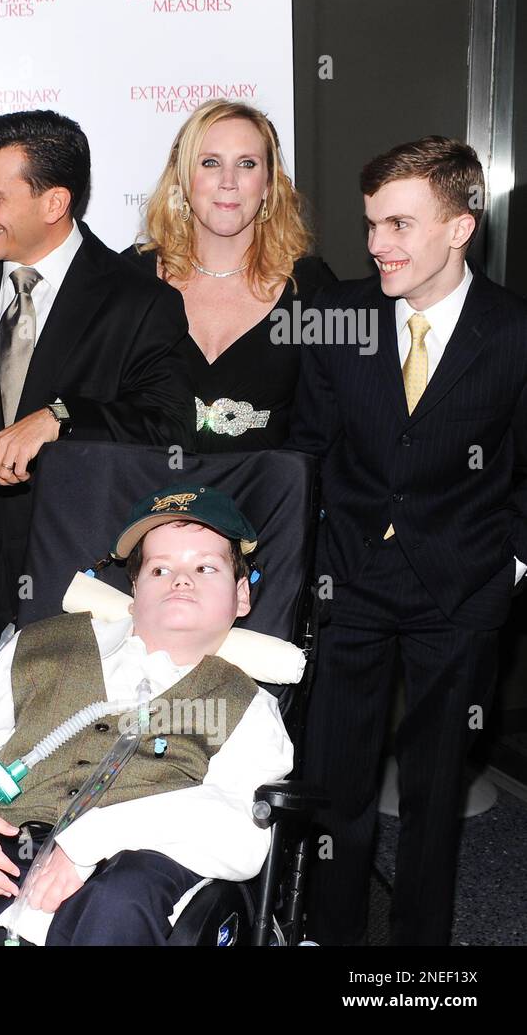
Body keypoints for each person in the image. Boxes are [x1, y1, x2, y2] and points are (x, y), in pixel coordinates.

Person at [0, 485, 293, 945]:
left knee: (120, 902)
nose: (181, 580)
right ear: (134, 591)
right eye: (160, 568)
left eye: (205, 567)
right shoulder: (37, 649)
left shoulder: (248, 707)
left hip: (124, 878)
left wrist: (89, 842)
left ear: (242, 596)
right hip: (2, 854)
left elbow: (241, 833)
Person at [288, 136, 527, 946]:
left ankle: (417, 963)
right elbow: (309, 452)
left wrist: (511, 566)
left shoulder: (516, 332)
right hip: (348, 581)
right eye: (370, 225)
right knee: (336, 786)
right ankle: (334, 935)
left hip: (460, 589)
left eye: (399, 224)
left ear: (461, 227)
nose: (377, 245)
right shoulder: (339, 320)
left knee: (435, 795)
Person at [0, 110, 194, 633]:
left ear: (54, 202)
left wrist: (62, 417)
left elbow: (167, 431)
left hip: (80, 594)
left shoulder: (139, 302)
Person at [124, 100, 335, 451]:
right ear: (182, 178)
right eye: (210, 163)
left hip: (267, 501)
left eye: (247, 164)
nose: (228, 182)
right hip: (148, 500)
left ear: (268, 184)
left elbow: (335, 430)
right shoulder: (131, 280)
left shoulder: (311, 290)